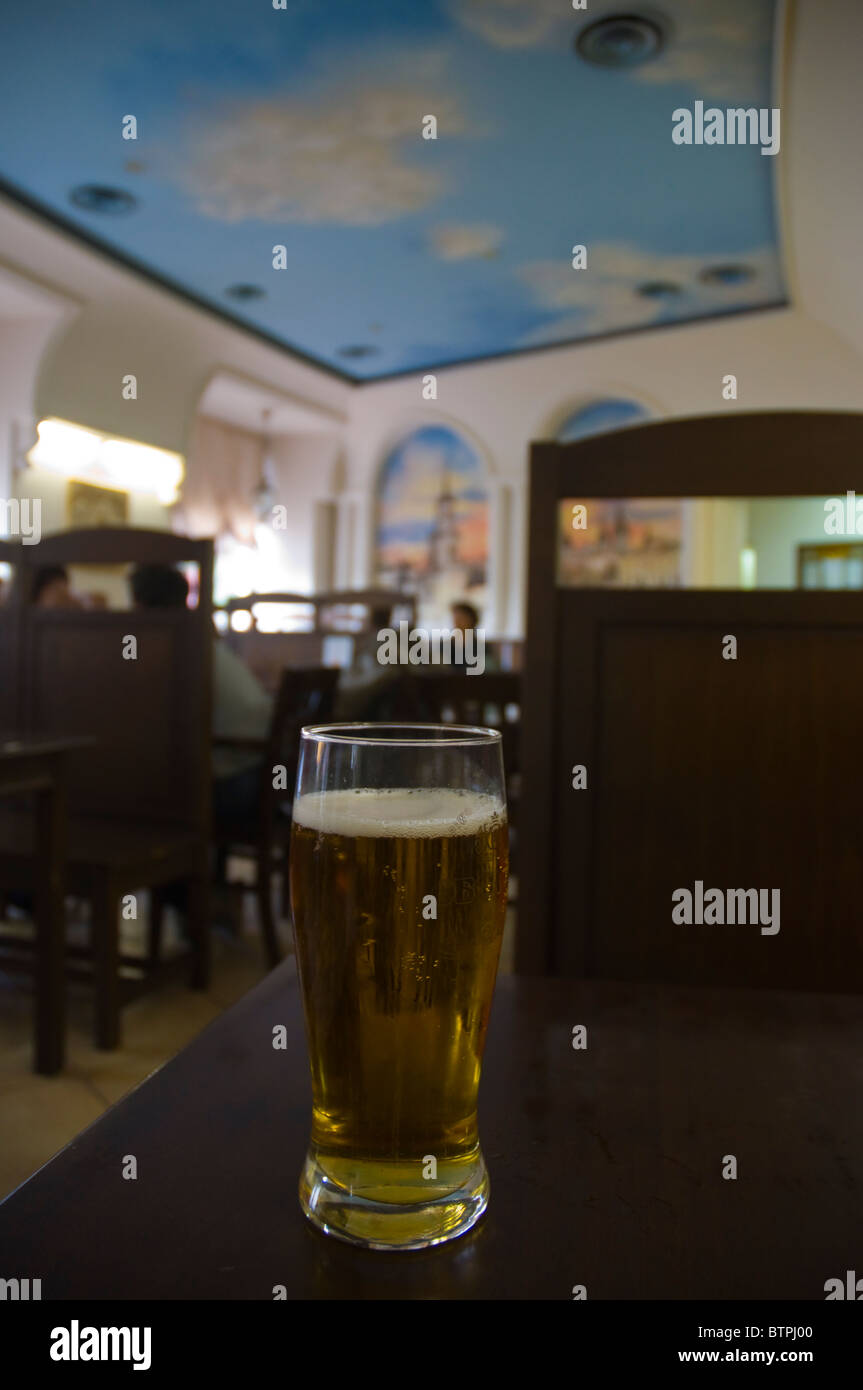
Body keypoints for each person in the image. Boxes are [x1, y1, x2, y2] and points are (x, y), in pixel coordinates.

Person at [129, 564, 272, 823]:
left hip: (235, 786)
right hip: (260, 775)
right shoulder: (201, 640)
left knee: (128, 788)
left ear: (141, 606)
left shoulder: (177, 648)